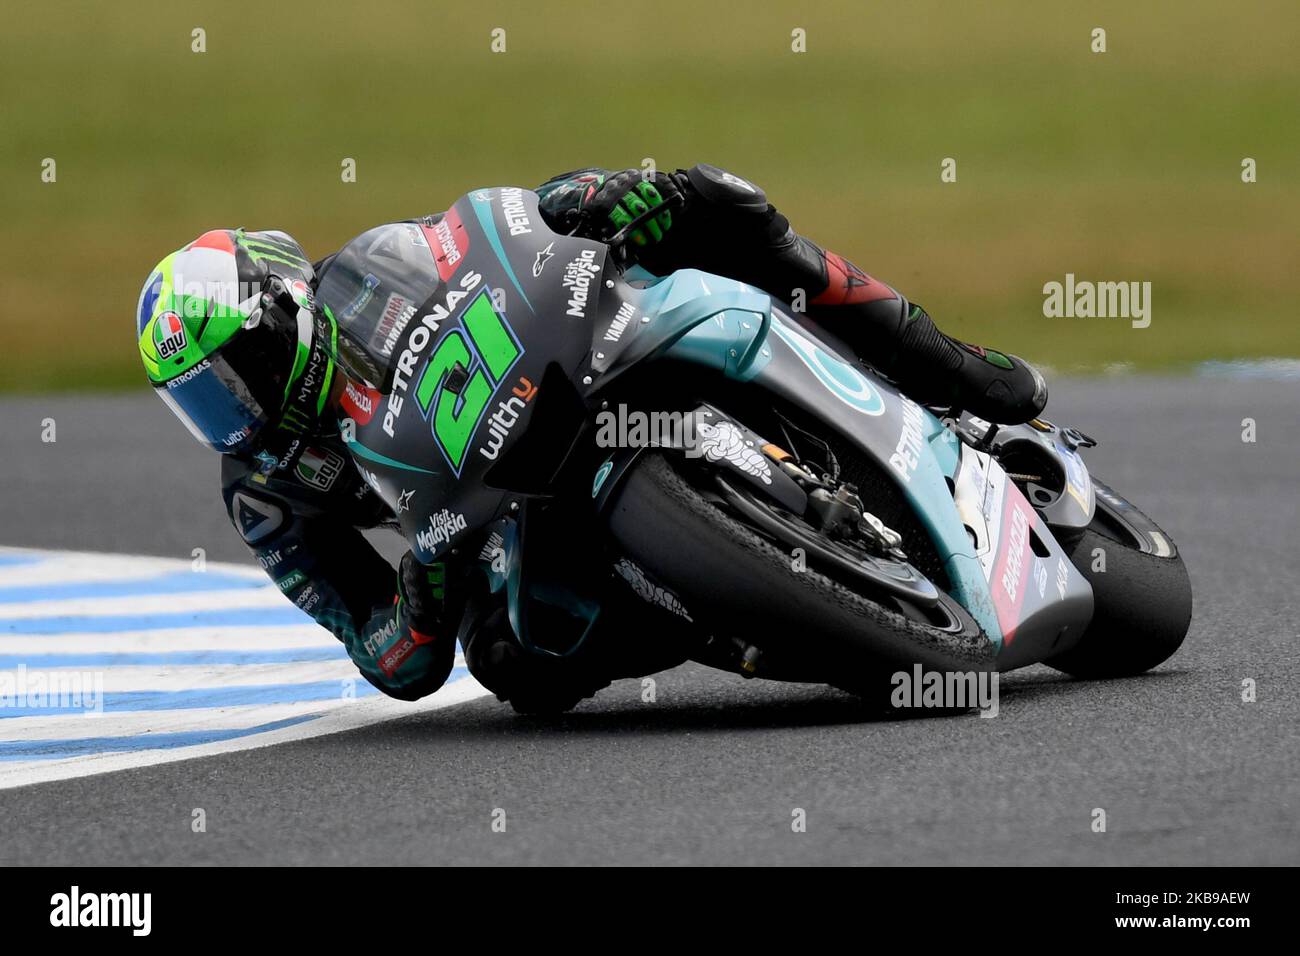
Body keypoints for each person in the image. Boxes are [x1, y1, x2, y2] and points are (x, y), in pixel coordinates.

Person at [135, 163, 1047, 712]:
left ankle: (950, 365)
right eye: (202, 400)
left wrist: (592, 197)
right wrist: (417, 600)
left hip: (570, 367)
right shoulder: (263, 493)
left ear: (285, 308)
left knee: (716, 204)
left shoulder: (367, 271)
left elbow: (491, 233)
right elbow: (387, 657)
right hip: (497, 525)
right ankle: (747, 609)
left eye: (239, 367)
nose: (234, 408)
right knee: (513, 665)